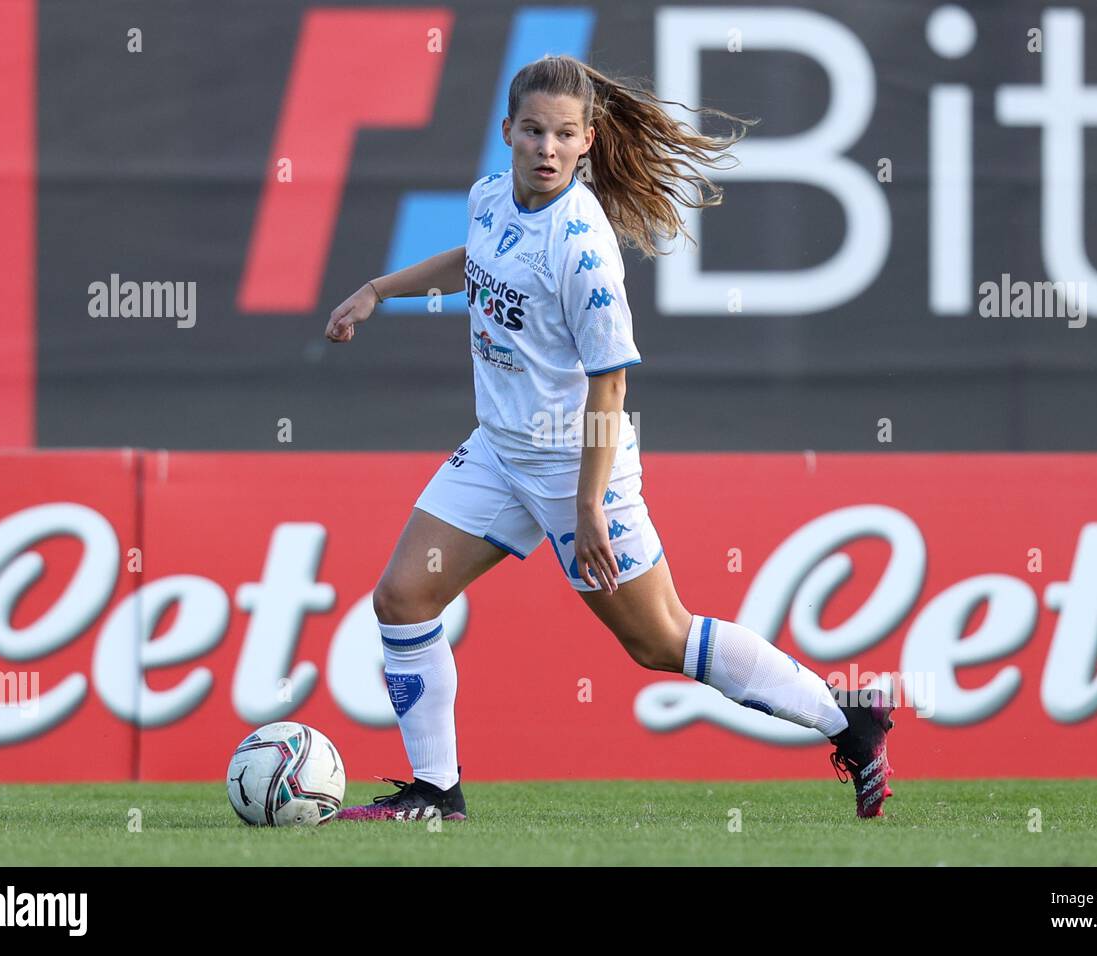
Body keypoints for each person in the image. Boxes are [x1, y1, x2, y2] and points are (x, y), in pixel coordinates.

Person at [324, 55, 895, 822]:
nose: (548, 148)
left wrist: (589, 504)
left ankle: (847, 719)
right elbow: (473, 262)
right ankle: (435, 793)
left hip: (576, 465)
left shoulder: (582, 248)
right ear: (508, 131)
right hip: (500, 450)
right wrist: (378, 290)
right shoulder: (489, 197)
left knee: (660, 640)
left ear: (587, 141)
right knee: (402, 598)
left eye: (565, 135)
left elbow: (611, 385)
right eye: (534, 131)